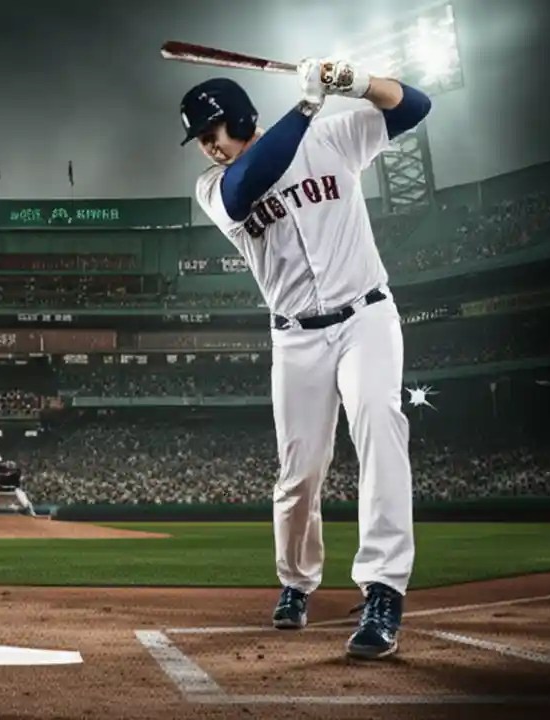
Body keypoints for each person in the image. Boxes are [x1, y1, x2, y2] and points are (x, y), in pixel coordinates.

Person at [181, 59, 431, 659]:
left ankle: (383, 590)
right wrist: (310, 102)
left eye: (213, 133)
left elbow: (414, 107)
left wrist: (357, 82)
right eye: (202, 142)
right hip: (295, 339)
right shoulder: (216, 188)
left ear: (238, 117)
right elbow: (247, 190)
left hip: (366, 314)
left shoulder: (330, 136)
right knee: (300, 471)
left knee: (379, 422)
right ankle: (296, 582)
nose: (209, 149)